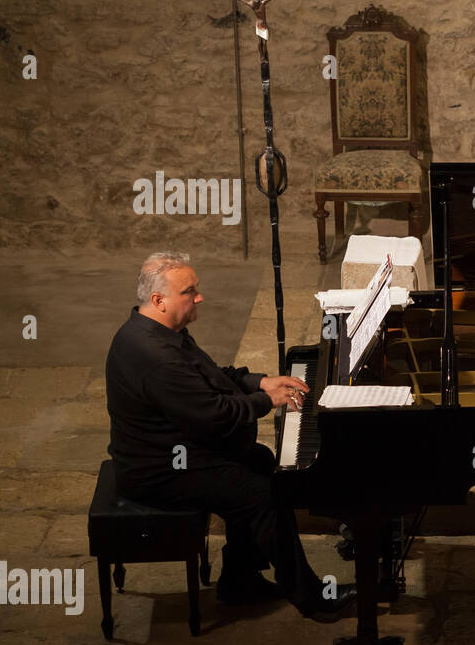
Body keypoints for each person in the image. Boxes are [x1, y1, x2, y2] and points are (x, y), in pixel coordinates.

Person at [105, 251, 355, 619]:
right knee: (263, 493)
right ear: (159, 301)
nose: (199, 297)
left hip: (174, 449)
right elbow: (216, 416)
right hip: (157, 469)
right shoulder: (155, 357)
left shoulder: (156, 331)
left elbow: (211, 378)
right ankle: (313, 598)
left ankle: (240, 579)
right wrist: (265, 399)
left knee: (259, 459)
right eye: (190, 291)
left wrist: (260, 381)